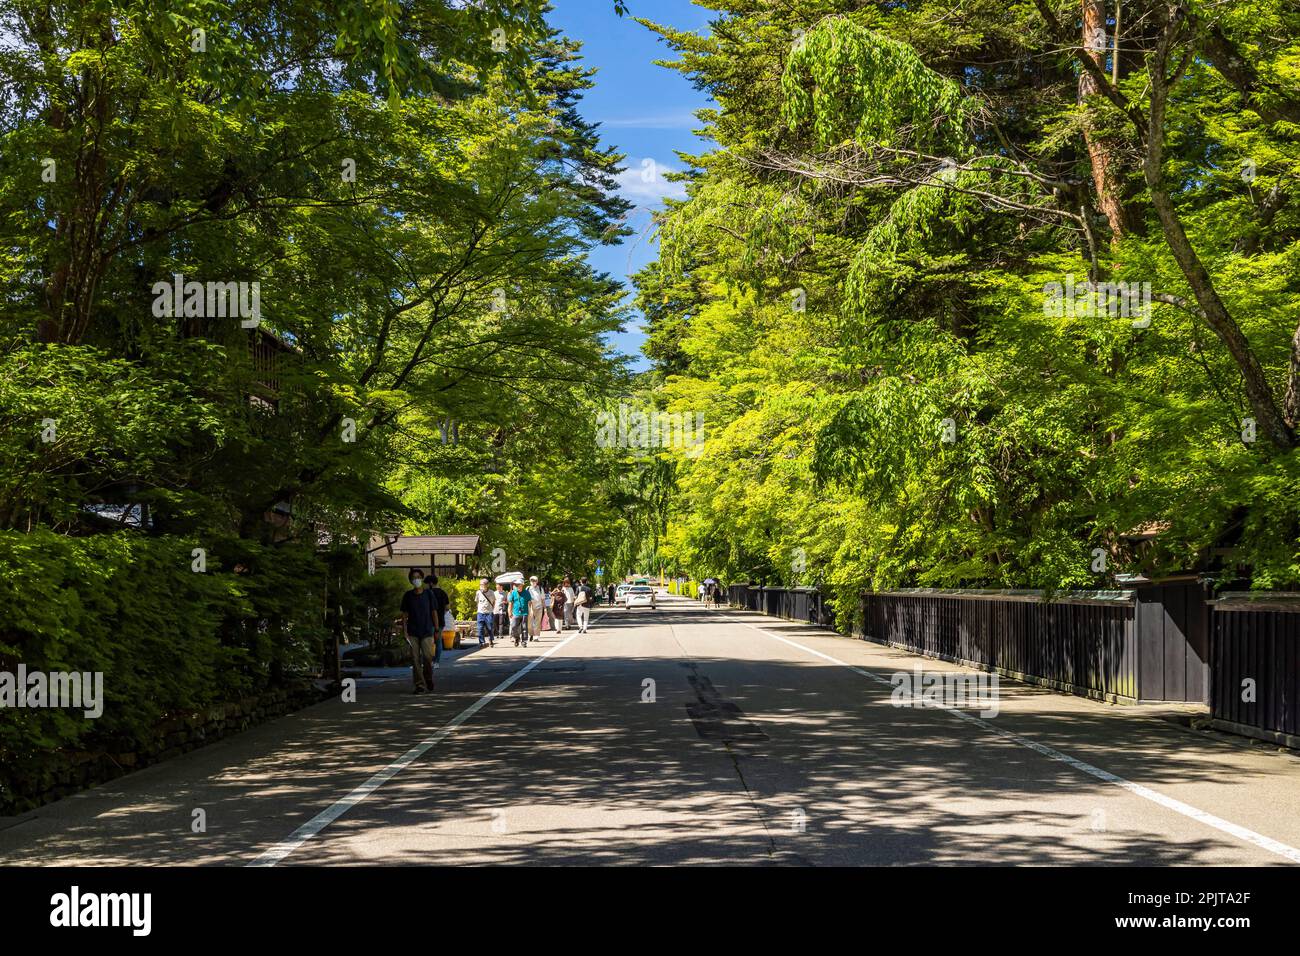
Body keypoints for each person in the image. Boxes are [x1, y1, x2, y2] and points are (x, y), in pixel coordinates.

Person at [400, 569, 441, 694]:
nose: (416, 579)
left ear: (422, 579)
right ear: (411, 581)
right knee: (415, 659)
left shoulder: (429, 594)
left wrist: (437, 629)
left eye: (418, 577)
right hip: (412, 632)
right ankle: (419, 684)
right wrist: (405, 631)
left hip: (427, 631)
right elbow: (404, 615)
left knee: (428, 657)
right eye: (414, 578)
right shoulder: (408, 596)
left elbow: (434, 612)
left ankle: (428, 677)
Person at [475, 578, 495, 647]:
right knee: (480, 628)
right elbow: (477, 602)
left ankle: (490, 639)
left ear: (487, 585)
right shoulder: (478, 592)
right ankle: (481, 642)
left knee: (490, 627)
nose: (481, 586)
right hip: (480, 613)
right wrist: (479, 609)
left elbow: (493, 602)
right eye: (480, 584)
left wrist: (491, 609)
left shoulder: (491, 592)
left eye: (482, 584)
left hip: (489, 612)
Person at [509, 580, 529, 646]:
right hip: (516, 613)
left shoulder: (526, 592)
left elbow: (530, 602)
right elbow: (510, 603)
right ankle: (517, 638)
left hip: (524, 613)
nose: (518, 587)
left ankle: (524, 641)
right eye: (517, 585)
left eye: (519, 585)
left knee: (524, 627)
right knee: (513, 626)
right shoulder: (513, 592)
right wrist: (509, 611)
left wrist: (531, 611)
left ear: (522, 585)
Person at [526, 575, 546, 641]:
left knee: (538, 622)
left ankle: (536, 636)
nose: (533, 582)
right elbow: (526, 599)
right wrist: (530, 608)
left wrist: (545, 608)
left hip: (539, 607)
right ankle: (531, 634)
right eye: (531, 581)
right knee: (529, 622)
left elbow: (543, 599)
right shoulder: (528, 588)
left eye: (534, 581)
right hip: (530, 607)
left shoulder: (540, 588)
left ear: (537, 581)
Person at [493, 581, 509, 645]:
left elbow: (508, 601)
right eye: (496, 587)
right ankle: (497, 633)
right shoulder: (494, 593)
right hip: (495, 609)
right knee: (495, 622)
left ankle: (500, 634)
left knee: (501, 622)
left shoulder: (505, 593)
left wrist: (505, 602)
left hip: (502, 609)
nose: (497, 588)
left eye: (498, 587)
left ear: (501, 587)